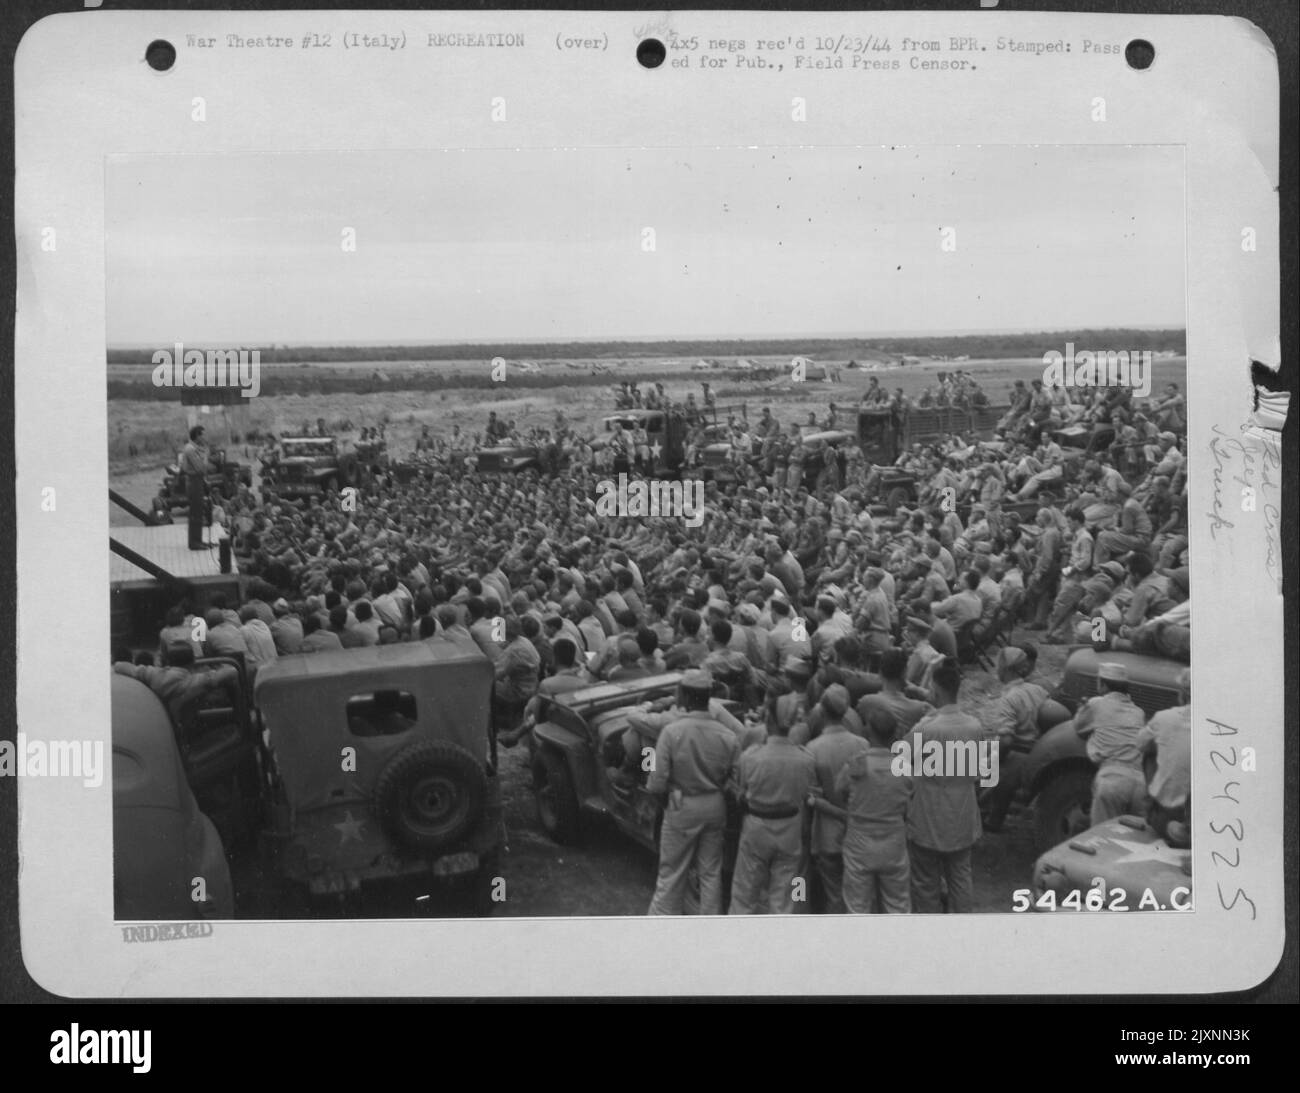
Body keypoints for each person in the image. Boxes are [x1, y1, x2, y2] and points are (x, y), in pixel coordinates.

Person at [646, 672, 742, 916]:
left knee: (671, 873)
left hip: (681, 804)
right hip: (714, 805)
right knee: (710, 873)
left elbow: (657, 782)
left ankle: (661, 927)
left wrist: (667, 801)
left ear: (685, 696)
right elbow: (736, 779)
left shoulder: (671, 731)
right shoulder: (727, 735)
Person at [904, 658, 984, 913]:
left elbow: (899, 765)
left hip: (928, 814)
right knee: (961, 876)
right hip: (963, 812)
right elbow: (983, 773)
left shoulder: (925, 729)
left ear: (936, 690)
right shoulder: (975, 726)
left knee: (925, 881)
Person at [729, 690, 819, 915]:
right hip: (790, 829)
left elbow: (741, 792)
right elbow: (806, 795)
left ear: (768, 720)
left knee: (744, 894)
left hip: (756, 827)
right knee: (784, 899)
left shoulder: (751, 756)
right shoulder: (806, 759)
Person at [819, 705, 914, 913]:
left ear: (868, 732)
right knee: (897, 904)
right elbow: (910, 797)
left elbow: (839, 792)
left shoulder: (855, 765)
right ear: (894, 735)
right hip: (893, 842)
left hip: (859, 842)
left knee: (857, 906)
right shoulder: (904, 767)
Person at [803, 686, 870, 913]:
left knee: (834, 897)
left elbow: (811, 797)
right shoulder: (862, 745)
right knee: (859, 896)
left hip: (826, 834)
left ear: (822, 713)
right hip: (858, 833)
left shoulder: (812, 748)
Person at [979, 645, 1049, 832]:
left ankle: (985, 815)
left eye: (999, 666)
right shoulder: (1038, 690)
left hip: (1018, 751)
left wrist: (991, 762)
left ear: (1007, 669)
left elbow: (1007, 741)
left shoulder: (1009, 699)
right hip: (1039, 749)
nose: (997, 670)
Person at [1075, 661, 1149, 825]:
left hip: (1113, 780)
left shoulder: (1096, 703)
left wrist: (1082, 709)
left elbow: (1079, 727)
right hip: (1141, 784)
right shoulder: (1139, 712)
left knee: (1103, 842)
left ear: (1104, 686)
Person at [1136, 667, 1191, 847]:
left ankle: (1160, 813)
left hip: (1169, 814)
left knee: (1150, 751)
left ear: (1183, 693)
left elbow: (1140, 743)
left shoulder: (1163, 717)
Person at [180, 425, 211, 550]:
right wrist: (205, 456)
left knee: (198, 512)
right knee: (195, 513)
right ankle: (194, 542)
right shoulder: (190, 449)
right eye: (202, 434)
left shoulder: (195, 448)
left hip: (197, 482)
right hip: (193, 482)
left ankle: (198, 540)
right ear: (197, 435)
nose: (204, 437)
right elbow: (200, 468)